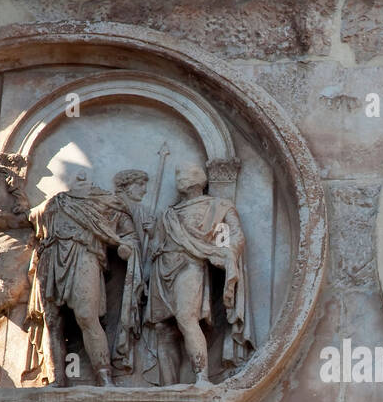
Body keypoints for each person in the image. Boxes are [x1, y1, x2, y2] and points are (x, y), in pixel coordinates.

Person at [28, 169, 138, 386]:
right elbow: (25, 217)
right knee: (52, 320)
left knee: (87, 316)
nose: (80, 178)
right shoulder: (53, 204)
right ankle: (58, 379)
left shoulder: (107, 204)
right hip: (51, 259)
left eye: (84, 176)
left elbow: (129, 234)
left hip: (85, 256)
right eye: (76, 176)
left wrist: (128, 246)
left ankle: (105, 378)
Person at [149, 162, 252, 385]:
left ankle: (201, 378)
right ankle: (169, 386)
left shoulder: (218, 206)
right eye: (178, 175)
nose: (179, 178)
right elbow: (156, 243)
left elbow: (236, 236)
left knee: (187, 318)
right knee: (163, 328)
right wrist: (153, 238)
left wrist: (225, 253)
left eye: (184, 174)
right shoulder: (169, 213)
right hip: (163, 267)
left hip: (190, 264)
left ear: (198, 180)